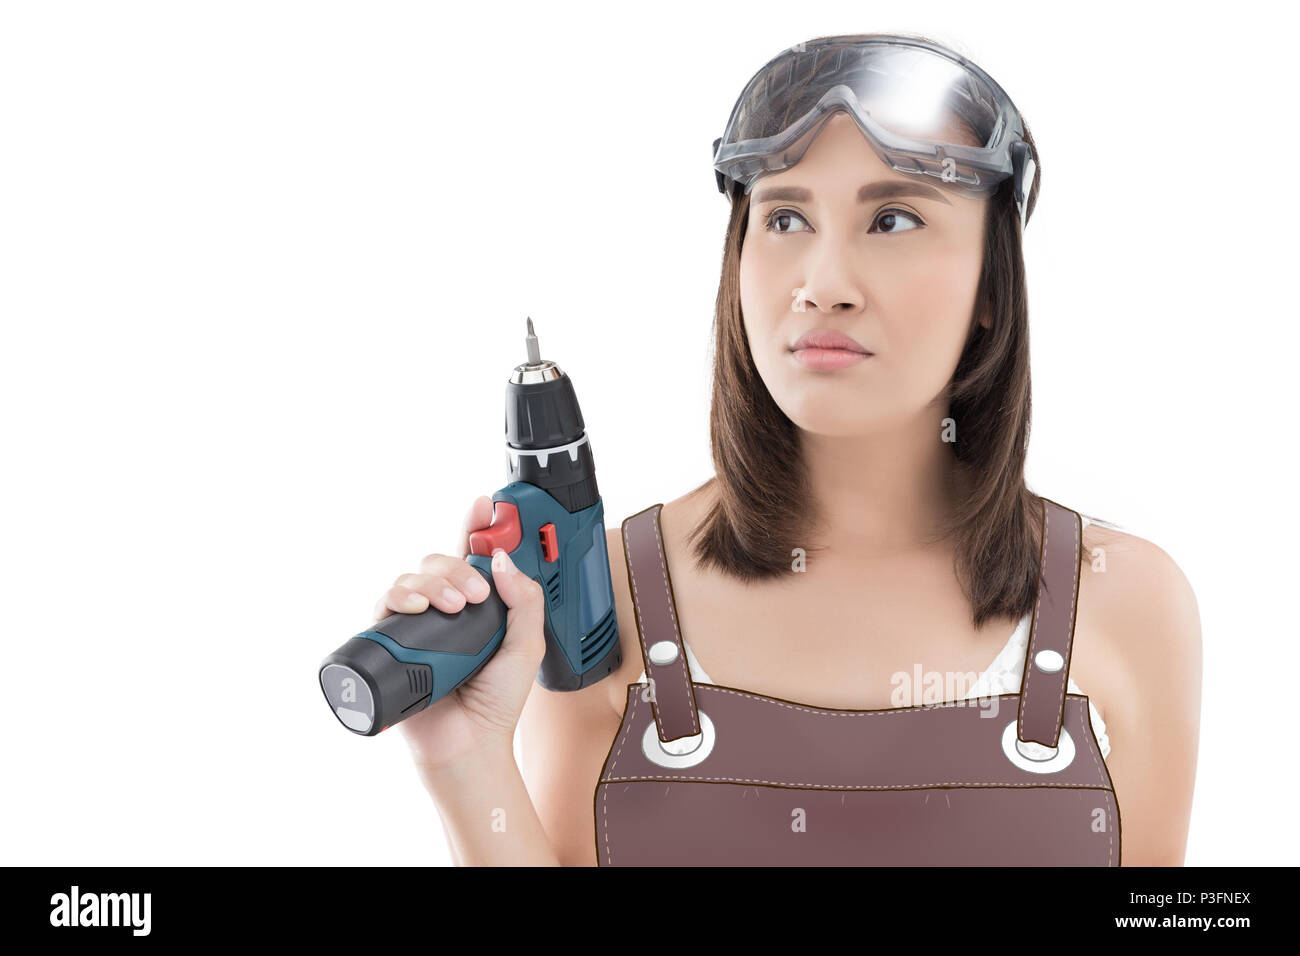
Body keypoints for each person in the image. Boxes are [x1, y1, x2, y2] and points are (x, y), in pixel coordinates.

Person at [376, 33, 1201, 866]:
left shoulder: (1127, 601)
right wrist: (464, 758)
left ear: (994, 284)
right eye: (785, 217)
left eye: (893, 217)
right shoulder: (601, 603)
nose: (823, 281)